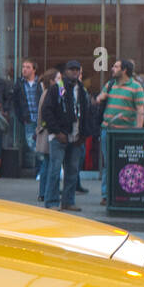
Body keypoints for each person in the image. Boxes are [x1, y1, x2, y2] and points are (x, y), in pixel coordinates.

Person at [40, 60, 92, 210]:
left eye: (77, 70)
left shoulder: (82, 90)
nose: (75, 72)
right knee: (55, 170)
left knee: (72, 171)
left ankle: (68, 201)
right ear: (64, 72)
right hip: (60, 136)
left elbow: (86, 113)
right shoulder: (57, 88)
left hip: (76, 136)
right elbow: (47, 112)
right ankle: (52, 202)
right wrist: (56, 132)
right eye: (72, 69)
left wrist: (84, 134)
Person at [95, 58, 144, 205]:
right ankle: (106, 195)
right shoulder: (110, 84)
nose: (112, 68)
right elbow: (98, 99)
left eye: (116, 66)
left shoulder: (136, 87)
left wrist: (138, 131)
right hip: (107, 130)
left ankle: (122, 193)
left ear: (124, 70)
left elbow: (140, 111)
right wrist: (100, 98)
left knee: (124, 163)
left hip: (124, 132)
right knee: (107, 163)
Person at [13, 59, 42, 179]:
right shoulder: (20, 83)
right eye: (23, 67)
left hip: (41, 119)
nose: (24, 69)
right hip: (28, 119)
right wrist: (21, 117)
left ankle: (41, 170)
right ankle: (40, 169)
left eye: (28, 67)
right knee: (32, 144)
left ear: (34, 70)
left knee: (41, 144)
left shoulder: (40, 82)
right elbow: (16, 102)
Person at [34, 68, 59, 201]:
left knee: (47, 163)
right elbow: (44, 115)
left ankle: (44, 191)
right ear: (52, 81)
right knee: (48, 163)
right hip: (47, 133)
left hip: (44, 132)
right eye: (58, 79)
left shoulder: (47, 93)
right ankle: (44, 192)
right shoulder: (48, 93)